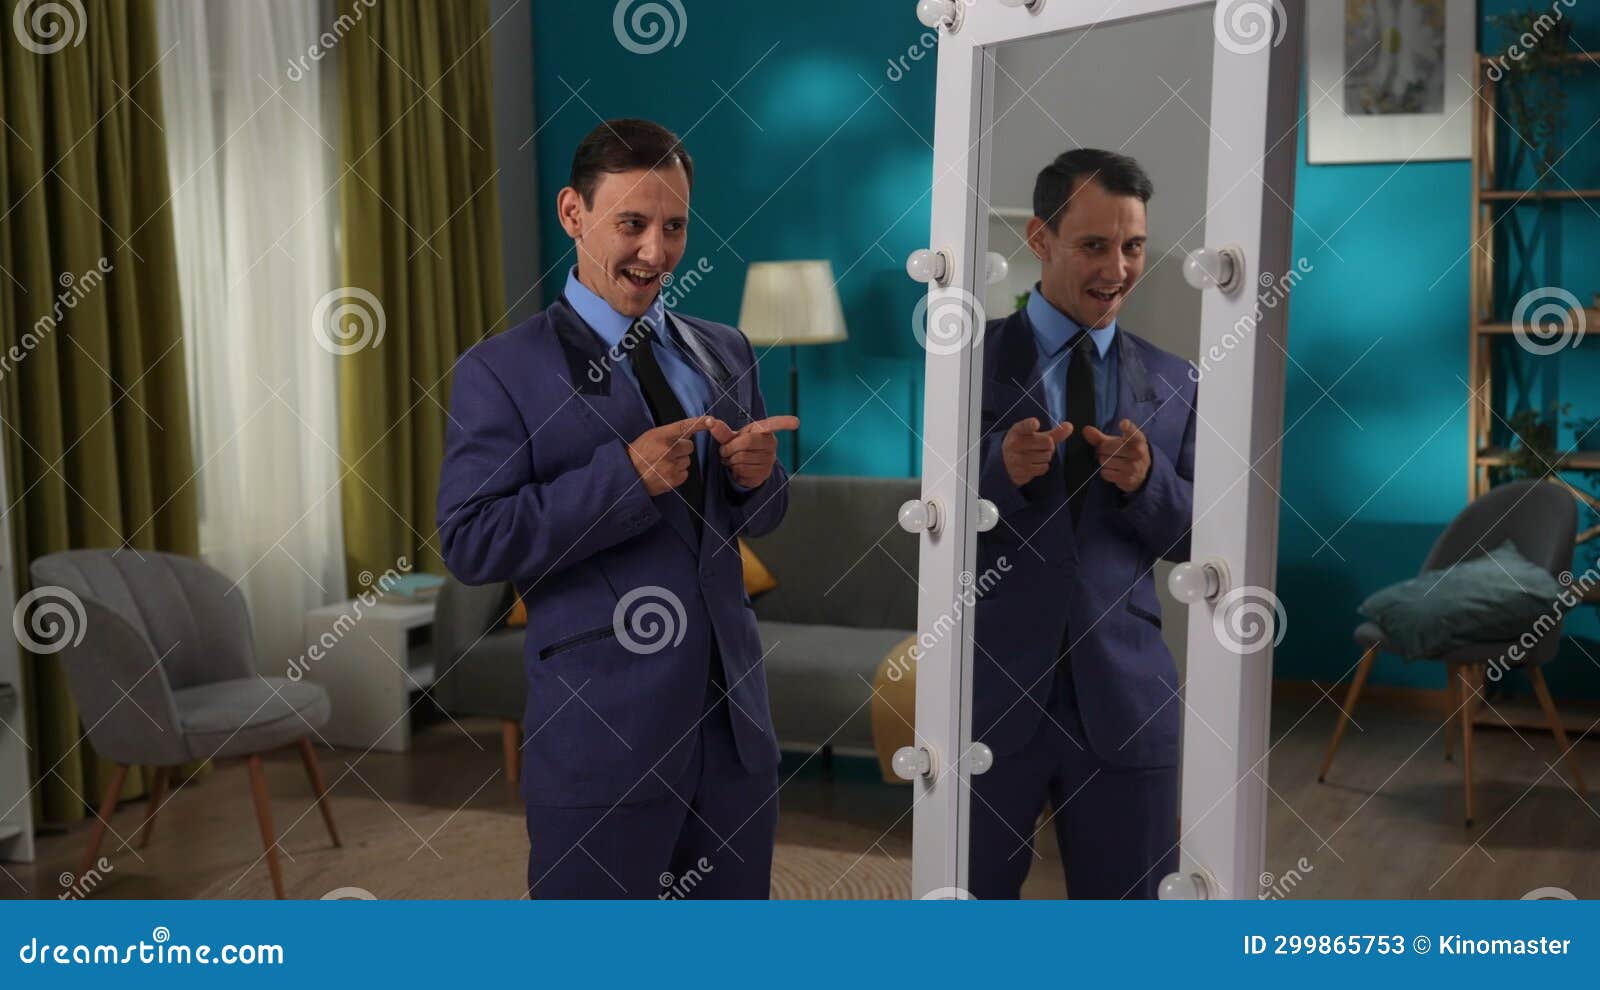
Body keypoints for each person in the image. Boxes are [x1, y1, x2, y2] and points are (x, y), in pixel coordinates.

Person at [436, 118, 796, 899]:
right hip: (604, 739)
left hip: (734, 739)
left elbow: (760, 518)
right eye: (631, 224)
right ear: (573, 213)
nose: (656, 252)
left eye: (674, 227)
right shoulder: (500, 371)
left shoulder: (726, 349)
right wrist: (623, 480)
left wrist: (754, 477)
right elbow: (469, 542)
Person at [969, 148, 1196, 899]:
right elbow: (927, 519)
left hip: (1126, 696)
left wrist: (1146, 484)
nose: (1120, 268)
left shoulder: (1174, 380)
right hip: (988, 691)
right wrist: (998, 473)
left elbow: (1204, 543)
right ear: (1040, 239)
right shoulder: (964, 365)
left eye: (1133, 246)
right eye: (1095, 245)